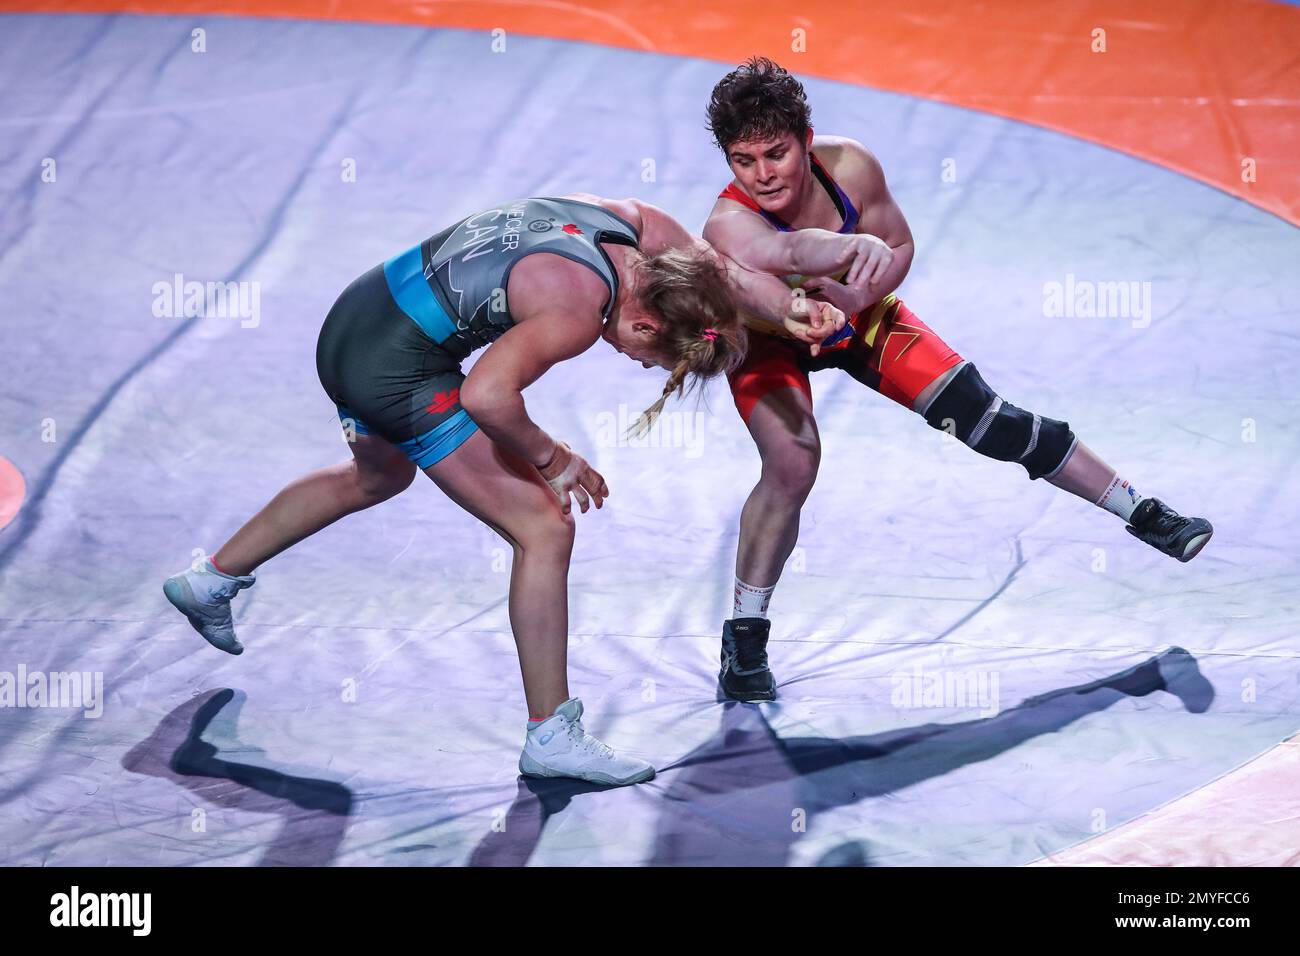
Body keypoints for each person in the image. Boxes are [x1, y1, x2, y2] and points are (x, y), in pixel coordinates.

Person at [163, 192, 845, 783]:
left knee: (378, 475)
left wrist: (784, 309)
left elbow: (717, 271)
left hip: (354, 317)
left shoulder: (631, 224)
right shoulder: (577, 312)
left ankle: (212, 579)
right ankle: (552, 734)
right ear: (644, 323)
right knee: (545, 525)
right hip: (393, 367)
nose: (640, 364)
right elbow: (488, 395)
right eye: (652, 359)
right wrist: (554, 460)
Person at [701, 58, 1215, 702]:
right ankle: (745, 637)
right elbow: (786, 254)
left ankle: (1141, 511)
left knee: (988, 419)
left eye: (775, 153)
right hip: (768, 340)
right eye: (743, 161)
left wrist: (854, 298)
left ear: (807, 138)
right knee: (792, 463)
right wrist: (822, 283)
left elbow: (900, 248)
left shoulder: (851, 169)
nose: (763, 175)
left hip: (853, 314)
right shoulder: (726, 226)